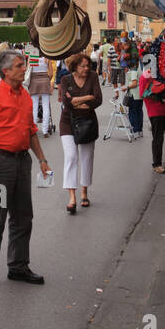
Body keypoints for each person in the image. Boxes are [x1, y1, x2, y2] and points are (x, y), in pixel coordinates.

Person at [0, 48, 51, 291]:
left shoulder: (25, 95)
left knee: (23, 217)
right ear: (6, 71)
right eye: (19, 65)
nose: (24, 68)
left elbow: (31, 130)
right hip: (1, 165)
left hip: (22, 163)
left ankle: (18, 266)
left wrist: (41, 158)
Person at [58, 52, 101, 213]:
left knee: (87, 157)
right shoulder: (66, 80)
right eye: (82, 66)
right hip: (68, 122)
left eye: (87, 65)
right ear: (75, 67)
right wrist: (86, 98)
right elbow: (66, 103)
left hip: (88, 123)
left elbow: (97, 99)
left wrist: (77, 100)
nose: (86, 68)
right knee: (71, 156)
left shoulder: (93, 77)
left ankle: (84, 191)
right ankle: (72, 196)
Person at [141, 63, 165, 174]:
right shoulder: (146, 75)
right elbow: (142, 94)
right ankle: (157, 164)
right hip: (155, 112)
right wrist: (159, 95)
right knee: (158, 138)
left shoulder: (164, 73)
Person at [26, 48, 55, 136]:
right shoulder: (47, 58)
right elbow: (51, 73)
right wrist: (47, 79)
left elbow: (28, 71)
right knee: (46, 106)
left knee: (34, 106)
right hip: (45, 81)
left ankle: (34, 129)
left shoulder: (32, 57)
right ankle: (45, 130)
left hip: (34, 81)